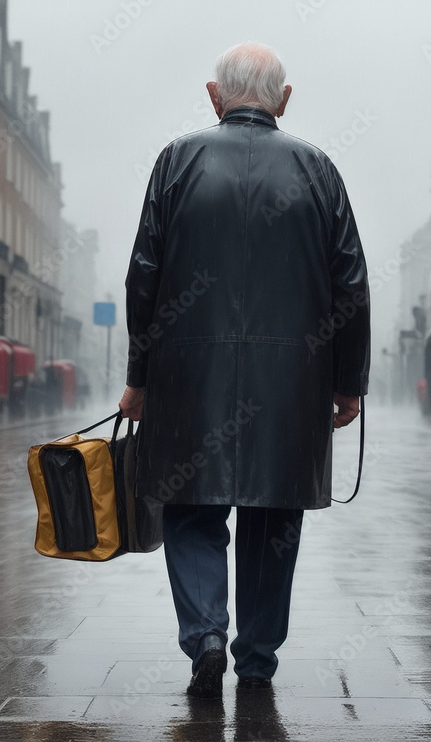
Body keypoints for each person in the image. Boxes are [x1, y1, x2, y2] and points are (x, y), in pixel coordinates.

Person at [119, 41, 370, 700]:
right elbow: (351, 283)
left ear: (214, 96)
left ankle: (205, 634)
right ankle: (256, 658)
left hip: (187, 381)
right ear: (283, 100)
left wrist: (139, 377)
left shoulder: (177, 162)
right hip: (291, 388)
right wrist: (348, 383)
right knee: (273, 520)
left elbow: (143, 276)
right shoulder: (318, 169)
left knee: (190, 511)